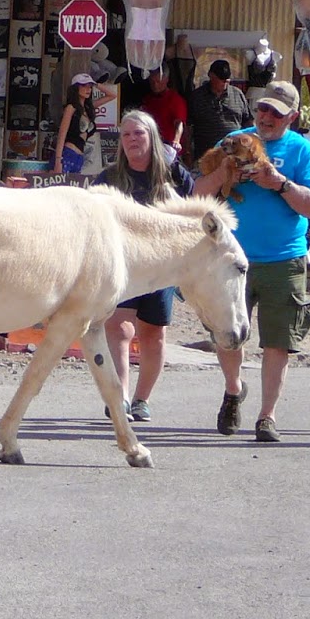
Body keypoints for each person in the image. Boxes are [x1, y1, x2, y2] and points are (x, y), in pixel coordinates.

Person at [193, 81, 310, 443]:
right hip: (232, 256)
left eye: (275, 113)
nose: (265, 117)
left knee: (277, 340)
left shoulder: (302, 151)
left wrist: (279, 183)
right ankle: (234, 389)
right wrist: (224, 174)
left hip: (284, 258)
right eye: (262, 109)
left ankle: (267, 416)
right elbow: (197, 193)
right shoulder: (234, 140)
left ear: (292, 117)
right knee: (227, 334)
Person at [101, 110, 193, 422]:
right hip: (123, 266)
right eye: (126, 135)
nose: (132, 140)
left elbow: (195, 209)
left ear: (152, 137)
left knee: (153, 334)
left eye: (138, 133)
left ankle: (142, 399)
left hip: (161, 267)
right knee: (119, 327)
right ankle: (120, 397)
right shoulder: (110, 178)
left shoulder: (174, 174)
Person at [185, 58, 252, 165]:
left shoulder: (238, 94)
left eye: (227, 80)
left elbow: (248, 122)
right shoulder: (197, 97)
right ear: (211, 76)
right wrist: (187, 152)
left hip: (234, 157)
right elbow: (188, 127)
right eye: (221, 79)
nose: (224, 83)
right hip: (207, 156)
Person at [50, 73, 116, 175]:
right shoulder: (71, 108)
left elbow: (112, 95)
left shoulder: (88, 108)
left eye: (90, 86)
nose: (88, 89)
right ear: (76, 88)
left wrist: (96, 84)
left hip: (80, 157)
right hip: (67, 154)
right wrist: (58, 160)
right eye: (84, 86)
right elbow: (62, 134)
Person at [140, 66, 188, 157]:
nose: (155, 85)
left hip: (169, 150)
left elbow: (179, 123)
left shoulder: (175, 99)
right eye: (152, 82)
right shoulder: (147, 99)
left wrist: (176, 140)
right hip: (150, 148)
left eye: (158, 81)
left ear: (166, 80)